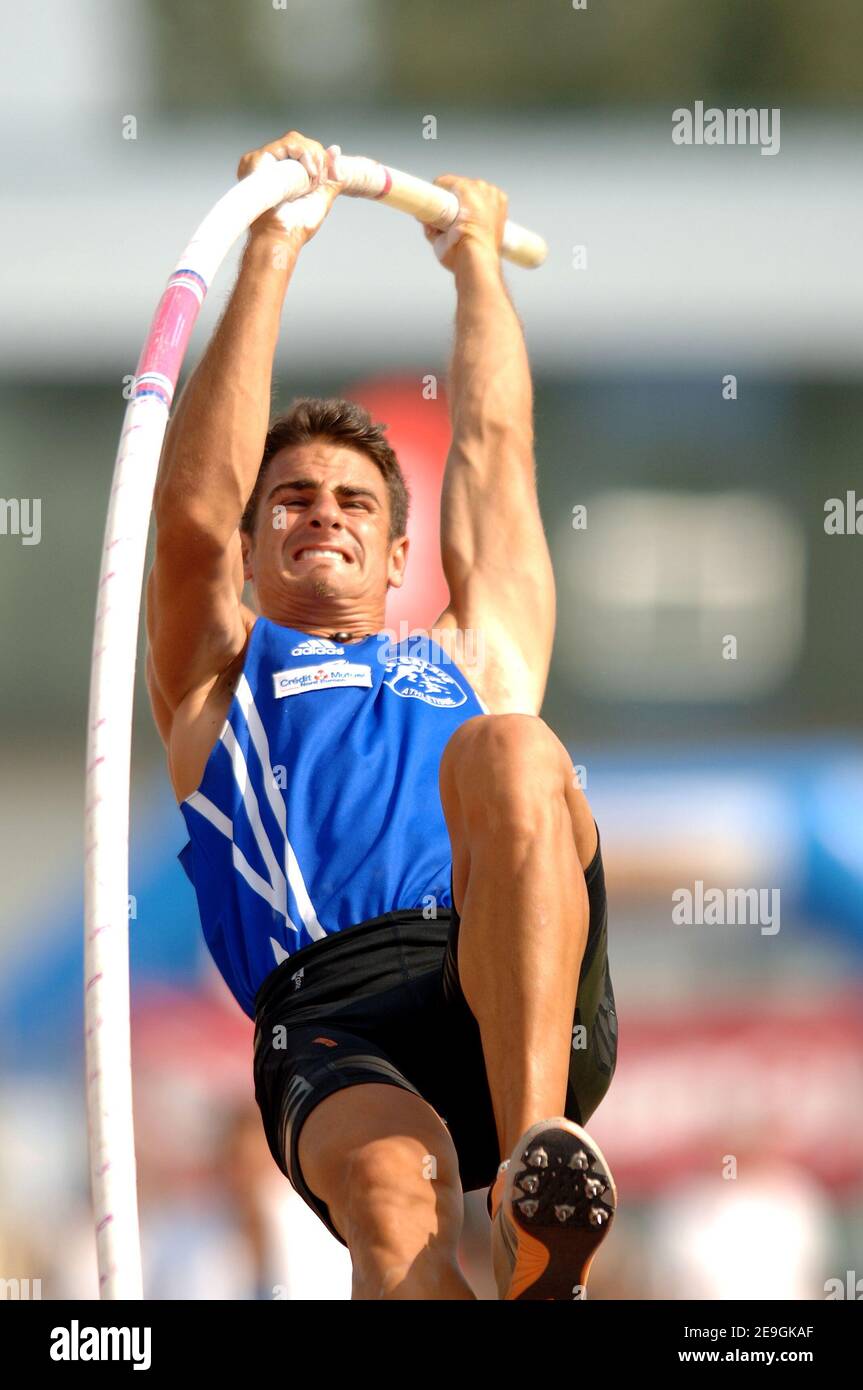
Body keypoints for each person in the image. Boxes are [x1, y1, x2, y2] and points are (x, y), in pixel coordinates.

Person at [145, 129, 618, 1301]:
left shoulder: (468, 659)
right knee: (393, 1211)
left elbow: (496, 455)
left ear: (397, 548)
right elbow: (192, 519)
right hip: (329, 1011)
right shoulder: (219, 672)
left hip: (500, 973)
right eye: (290, 500)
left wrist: (474, 269)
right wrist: (269, 247)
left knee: (511, 747)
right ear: (257, 545)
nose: (322, 514)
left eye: (352, 499)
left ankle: (531, 1172)